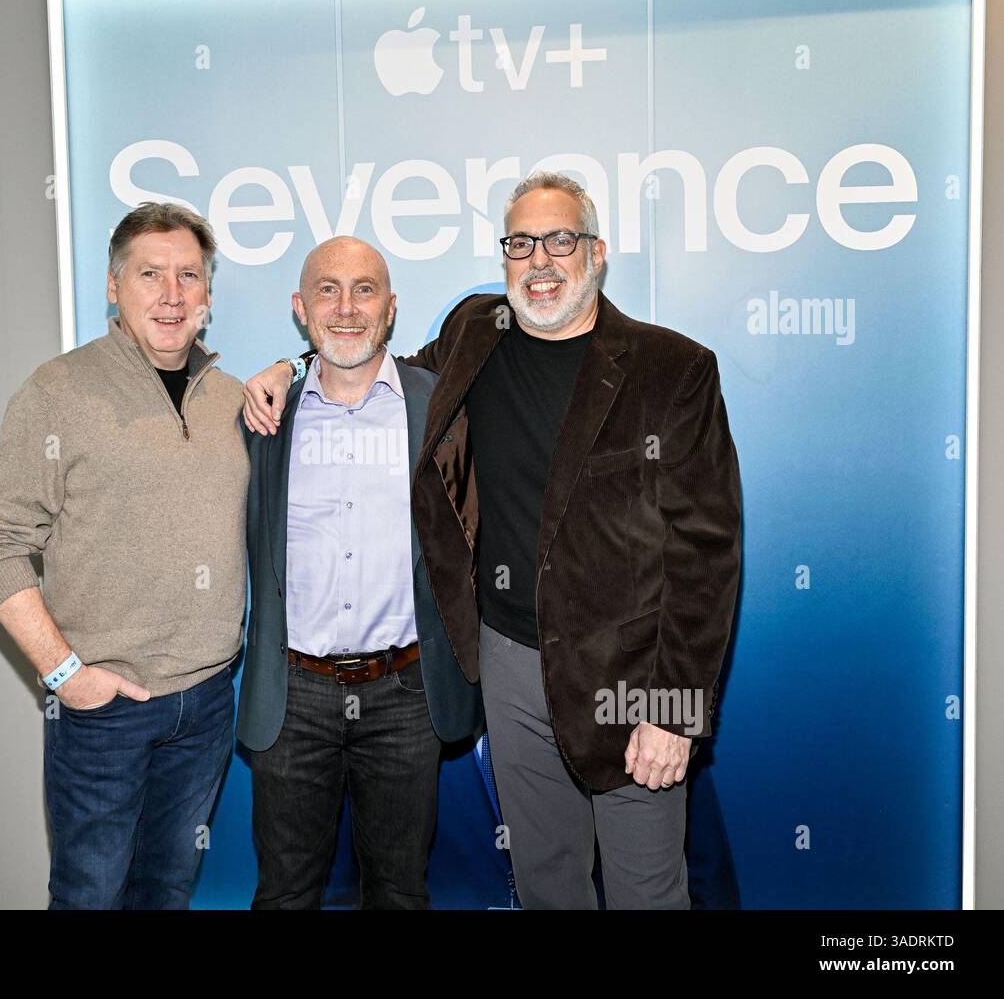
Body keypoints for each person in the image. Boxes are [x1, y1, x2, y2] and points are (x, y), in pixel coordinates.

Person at [243, 172, 742, 909]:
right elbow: (376, 365)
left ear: (596, 253)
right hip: (509, 664)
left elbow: (706, 555)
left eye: (560, 239)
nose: (539, 260)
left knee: (646, 890)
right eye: (520, 242)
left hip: (629, 676)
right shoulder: (477, 331)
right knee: (545, 881)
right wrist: (292, 367)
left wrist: (674, 710)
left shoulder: (673, 369)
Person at [0, 202, 248, 909]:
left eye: (189, 275)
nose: (172, 293)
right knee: (90, 895)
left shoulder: (232, 398)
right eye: (151, 273)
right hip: (103, 712)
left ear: (208, 294)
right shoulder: (58, 392)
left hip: (208, 703)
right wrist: (66, 674)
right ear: (115, 286)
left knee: (166, 891)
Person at [238, 236, 482, 909]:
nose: (347, 307)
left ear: (392, 307)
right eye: (327, 289)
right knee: (284, 893)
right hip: (293, 695)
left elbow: (474, 540)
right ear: (300, 307)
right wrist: (288, 368)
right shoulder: (263, 412)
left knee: (400, 893)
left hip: (406, 692)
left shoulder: (441, 408)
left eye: (365, 289)